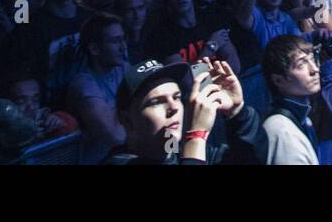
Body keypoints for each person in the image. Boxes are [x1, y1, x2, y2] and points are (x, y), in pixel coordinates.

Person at [104, 58, 261, 164]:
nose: (174, 107)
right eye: (156, 102)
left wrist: (237, 113)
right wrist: (196, 137)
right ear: (127, 120)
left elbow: (252, 159)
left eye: (177, 97)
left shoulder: (175, 151)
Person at [66, 13, 130, 163]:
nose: (123, 47)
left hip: (121, 154)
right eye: (115, 41)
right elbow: (116, 136)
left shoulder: (122, 69)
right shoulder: (84, 85)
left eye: (123, 39)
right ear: (95, 49)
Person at [258, 35, 321, 165]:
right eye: (301, 64)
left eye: (312, 60)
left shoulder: (303, 120)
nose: (315, 69)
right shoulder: (282, 131)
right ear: (278, 80)